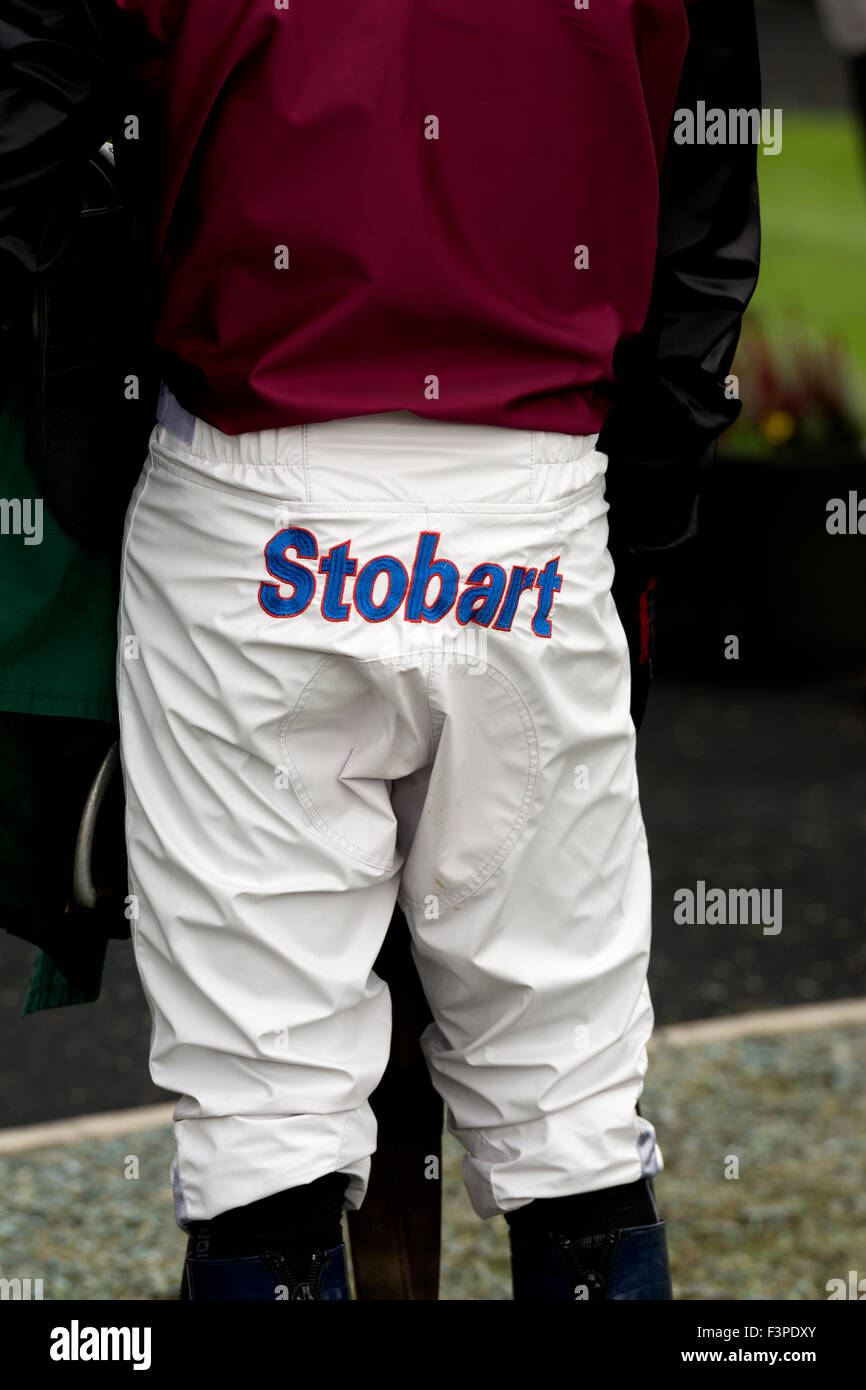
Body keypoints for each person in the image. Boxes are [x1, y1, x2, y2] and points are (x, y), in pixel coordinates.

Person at [0, 0, 760, 1301]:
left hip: (251, 493)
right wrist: (620, 525)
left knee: (261, 1114)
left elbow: (28, 137)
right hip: (533, 494)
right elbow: (701, 218)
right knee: (567, 1099)